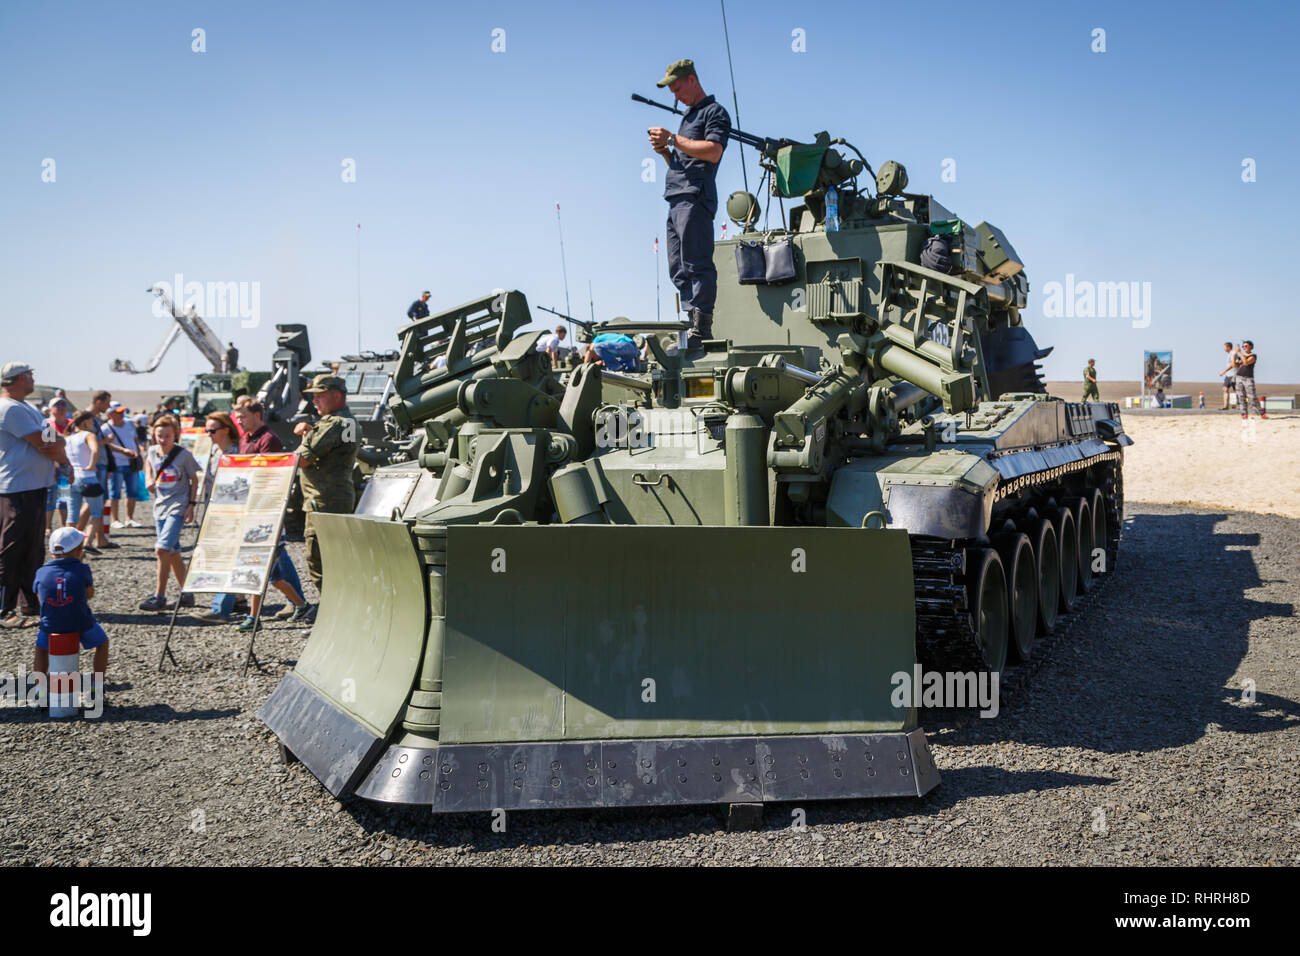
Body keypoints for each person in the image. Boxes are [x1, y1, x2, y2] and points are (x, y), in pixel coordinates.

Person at [647, 58, 731, 348]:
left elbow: (713, 151)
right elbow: (684, 160)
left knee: (697, 263)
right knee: (677, 266)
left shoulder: (714, 112)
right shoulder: (688, 117)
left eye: (678, 88)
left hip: (695, 196)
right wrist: (665, 152)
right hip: (677, 196)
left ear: (693, 80)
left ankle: (702, 328)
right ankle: (691, 321)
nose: (675, 96)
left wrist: (673, 139)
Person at [0, 362, 65, 628]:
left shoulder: (28, 407)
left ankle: (30, 602)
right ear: (18, 378)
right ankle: (4, 610)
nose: (33, 378)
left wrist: (56, 446)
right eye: (30, 374)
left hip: (33, 486)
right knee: (11, 549)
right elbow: (44, 442)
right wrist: (56, 445)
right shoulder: (10, 408)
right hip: (17, 489)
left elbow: (52, 437)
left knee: (32, 549)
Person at [293, 375, 361, 595]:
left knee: (319, 562)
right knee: (337, 559)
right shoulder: (348, 421)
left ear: (336, 396)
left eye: (320, 396)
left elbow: (301, 459)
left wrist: (305, 438)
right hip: (336, 498)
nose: (315, 402)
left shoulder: (333, 424)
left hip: (321, 502)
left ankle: (330, 608)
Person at [33, 526, 109, 708]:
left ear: (51, 551)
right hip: (81, 622)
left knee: (41, 649)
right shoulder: (82, 569)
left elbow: (40, 599)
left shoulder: (41, 572)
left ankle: (40, 691)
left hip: (50, 624)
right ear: (79, 550)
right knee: (102, 644)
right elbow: (89, 594)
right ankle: (96, 687)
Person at [139, 417, 200, 612]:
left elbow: (194, 480)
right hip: (160, 507)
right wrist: (148, 478)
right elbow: (148, 464)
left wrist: (191, 505)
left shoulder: (184, 455)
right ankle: (187, 593)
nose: (163, 439)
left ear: (175, 435)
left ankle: (160, 596)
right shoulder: (151, 451)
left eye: (167, 436)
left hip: (178, 506)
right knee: (172, 552)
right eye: (159, 436)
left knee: (162, 549)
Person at [65, 411, 108, 553]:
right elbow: (95, 450)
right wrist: (91, 464)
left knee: (72, 515)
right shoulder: (89, 435)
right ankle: (87, 542)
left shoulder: (69, 438)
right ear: (85, 422)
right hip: (88, 477)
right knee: (96, 512)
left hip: (72, 478)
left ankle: (66, 544)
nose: (93, 424)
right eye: (91, 421)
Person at [102, 403, 143, 529]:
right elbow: (106, 445)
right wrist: (123, 451)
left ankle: (129, 518)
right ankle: (115, 519)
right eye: (118, 412)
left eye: (122, 412)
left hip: (131, 463)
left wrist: (138, 452)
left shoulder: (129, 423)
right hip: (116, 463)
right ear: (110, 414)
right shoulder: (105, 428)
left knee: (132, 492)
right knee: (115, 492)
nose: (121, 414)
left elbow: (135, 439)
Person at [45, 397, 72, 531]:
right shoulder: (47, 424)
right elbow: (47, 446)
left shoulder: (72, 424)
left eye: (63, 405)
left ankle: (63, 525)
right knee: (50, 497)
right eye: (57, 405)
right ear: (51, 409)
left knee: (64, 497)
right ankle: (47, 526)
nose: (60, 407)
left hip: (67, 466)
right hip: (52, 465)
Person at [1235, 340, 1267, 420]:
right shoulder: (1241, 355)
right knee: (1240, 396)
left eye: (1246, 346)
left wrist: (1239, 353)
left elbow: (1246, 362)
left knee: (1252, 396)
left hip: (1248, 378)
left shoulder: (1253, 356)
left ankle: (1261, 413)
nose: (1244, 348)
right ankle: (1244, 413)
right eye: (1243, 346)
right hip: (1239, 377)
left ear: (1251, 347)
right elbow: (1234, 364)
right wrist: (1234, 355)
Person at [1218, 342, 1240, 410]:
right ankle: (1225, 406)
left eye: (1224, 347)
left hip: (1234, 374)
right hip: (1228, 375)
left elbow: (1234, 364)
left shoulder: (1234, 353)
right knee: (1225, 389)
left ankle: (1240, 405)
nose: (1224, 349)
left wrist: (1224, 371)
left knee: (1236, 390)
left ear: (1228, 347)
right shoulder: (1229, 354)